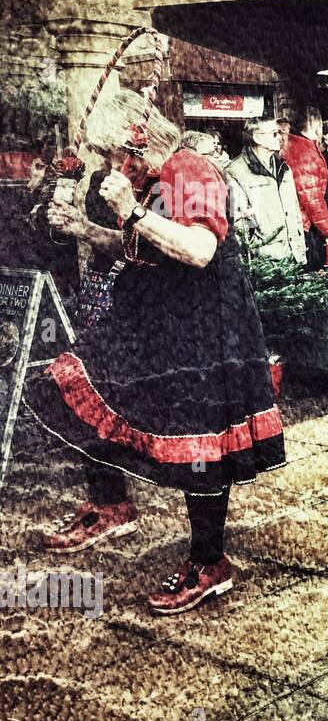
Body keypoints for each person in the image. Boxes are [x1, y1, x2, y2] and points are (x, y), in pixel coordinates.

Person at [26, 101, 284, 613]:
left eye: (119, 156)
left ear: (141, 143)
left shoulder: (189, 167)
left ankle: (209, 562)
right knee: (79, 378)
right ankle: (111, 502)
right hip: (154, 313)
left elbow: (199, 250)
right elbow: (136, 249)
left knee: (198, 436)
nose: (116, 168)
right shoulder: (147, 180)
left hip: (204, 320)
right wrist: (81, 226)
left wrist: (132, 211)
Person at [225, 117, 305, 266]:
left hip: (293, 256)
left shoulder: (283, 167)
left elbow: (294, 210)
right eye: (274, 134)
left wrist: (300, 251)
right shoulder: (236, 172)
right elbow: (238, 224)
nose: (280, 137)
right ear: (257, 138)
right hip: (265, 263)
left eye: (280, 133)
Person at [279, 111, 328, 271]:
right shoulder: (304, 152)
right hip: (306, 227)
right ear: (316, 125)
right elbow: (312, 197)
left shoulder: (297, 146)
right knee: (312, 273)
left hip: (300, 223)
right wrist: (327, 230)